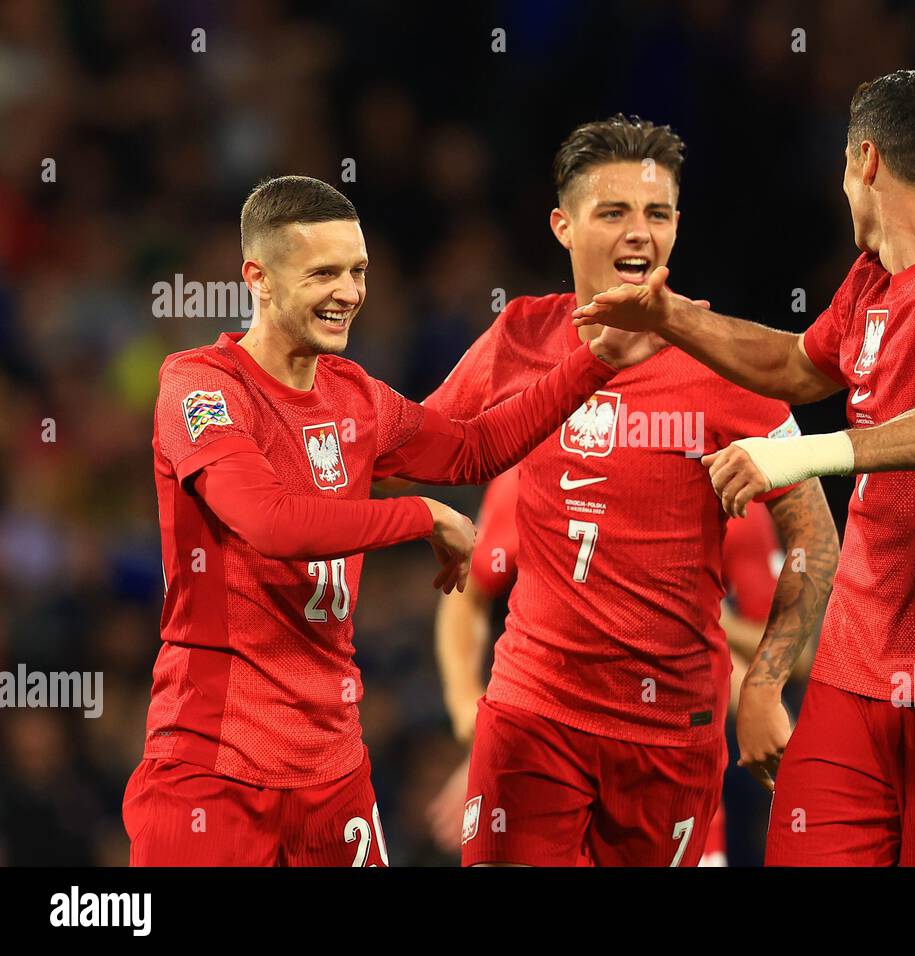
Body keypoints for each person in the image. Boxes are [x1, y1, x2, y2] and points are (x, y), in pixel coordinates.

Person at [575, 72, 915, 866]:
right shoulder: (873, 282)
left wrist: (799, 454)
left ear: (865, 161)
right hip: (855, 669)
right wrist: (669, 317)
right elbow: (794, 365)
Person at [125, 175, 657, 866]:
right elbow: (269, 522)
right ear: (257, 276)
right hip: (213, 765)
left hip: (333, 770)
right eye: (323, 272)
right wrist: (420, 516)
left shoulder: (354, 394)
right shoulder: (201, 386)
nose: (348, 291)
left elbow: (473, 447)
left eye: (358, 271)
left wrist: (593, 363)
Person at [426, 116, 840, 866]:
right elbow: (418, 447)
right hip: (533, 716)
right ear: (563, 225)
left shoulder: (729, 363)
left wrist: (764, 684)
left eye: (656, 214)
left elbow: (815, 535)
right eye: (613, 212)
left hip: (669, 737)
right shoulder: (520, 337)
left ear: (678, 226)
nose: (638, 233)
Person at [427, 464, 806, 866]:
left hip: (670, 764)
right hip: (553, 754)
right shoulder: (542, 463)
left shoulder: (723, 478)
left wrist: (712, 632)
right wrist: (468, 705)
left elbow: (793, 652)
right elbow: (471, 588)